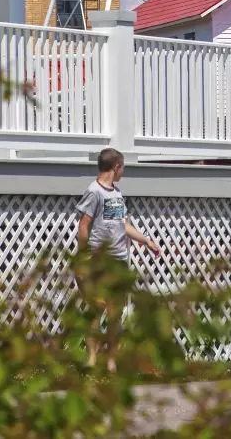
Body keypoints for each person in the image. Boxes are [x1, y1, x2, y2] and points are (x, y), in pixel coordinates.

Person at [76, 147, 160, 370]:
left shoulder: (117, 194)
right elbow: (83, 225)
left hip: (120, 260)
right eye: (123, 167)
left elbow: (123, 225)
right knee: (95, 311)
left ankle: (111, 362)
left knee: (116, 313)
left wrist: (146, 241)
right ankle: (92, 361)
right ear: (116, 167)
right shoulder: (95, 192)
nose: (123, 171)